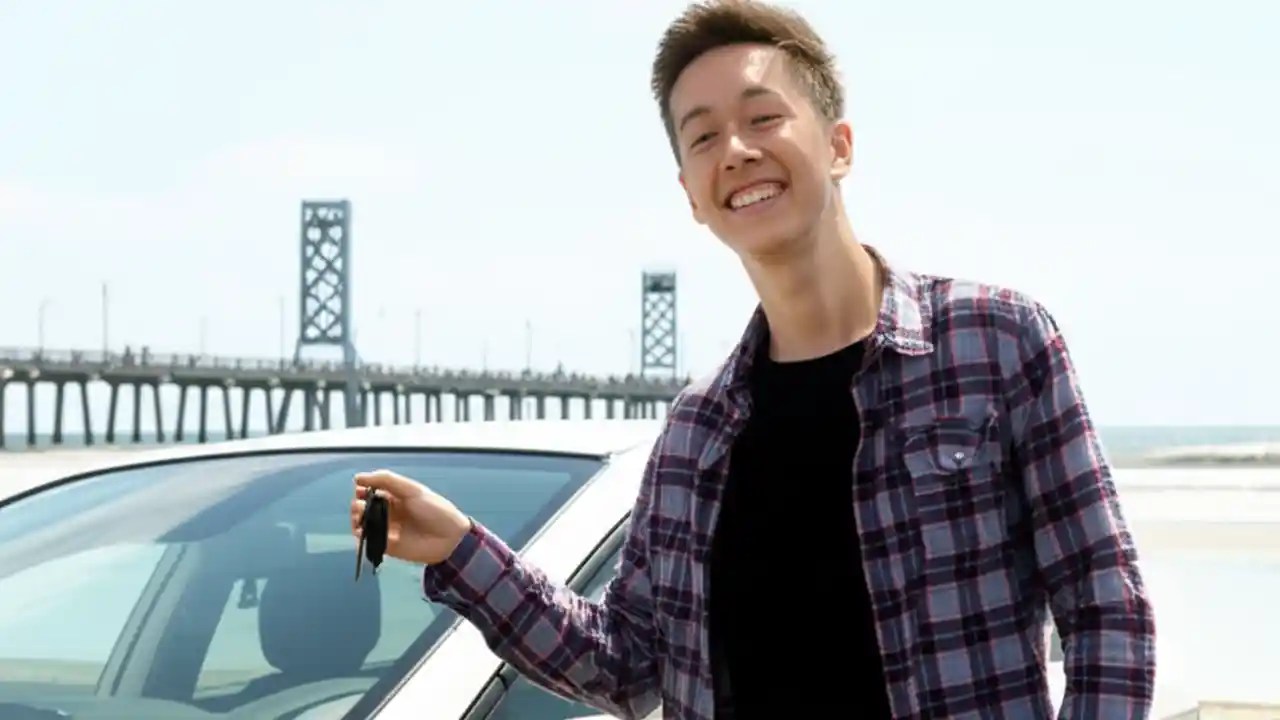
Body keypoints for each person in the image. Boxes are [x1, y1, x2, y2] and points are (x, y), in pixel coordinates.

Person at [349, 1, 1156, 717]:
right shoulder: (698, 429)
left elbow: (1106, 610)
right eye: (703, 136)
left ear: (838, 145)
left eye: (763, 118)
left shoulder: (997, 341)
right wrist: (461, 549)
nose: (734, 150)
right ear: (693, 196)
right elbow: (630, 666)